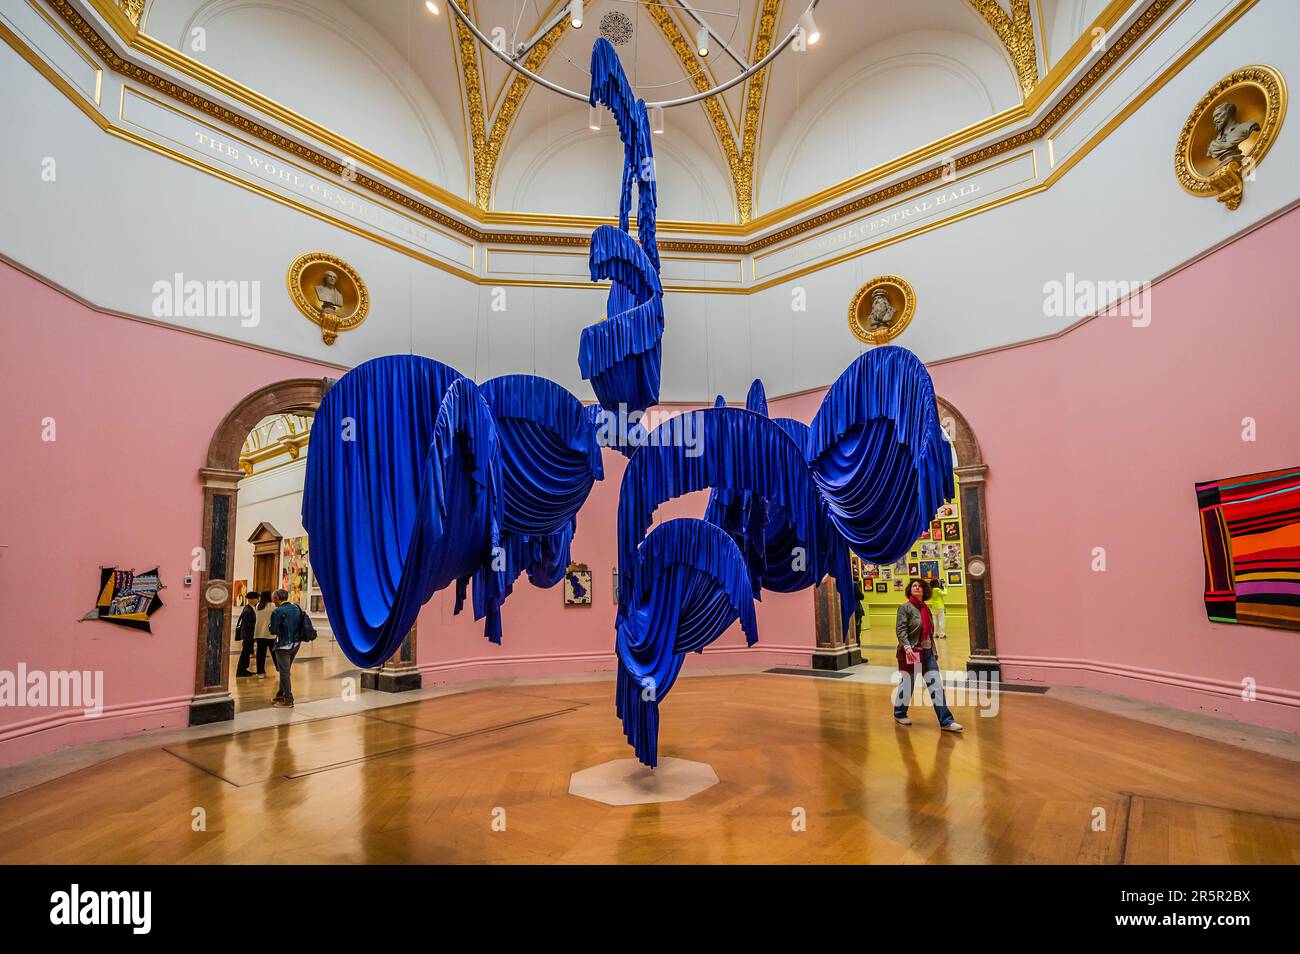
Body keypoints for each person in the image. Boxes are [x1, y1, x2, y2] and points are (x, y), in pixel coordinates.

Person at [893, 578, 962, 732]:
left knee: (936, 685)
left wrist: (934, 651)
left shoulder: (925, 609)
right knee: (907, 684)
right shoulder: (905, 608)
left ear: (924, 591)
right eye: (914, 586)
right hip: (911, 652)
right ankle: (899, 712)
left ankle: (946, 721)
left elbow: (930, 633)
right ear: (910, 590)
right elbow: (901, 630)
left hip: (927, 653)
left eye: (919, 586)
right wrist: (907, 648)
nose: (916, 588)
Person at [268, 589, 305, 707]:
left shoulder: (277, 611)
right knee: (285, 669)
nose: (272, 599)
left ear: (277, 599)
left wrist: (272, 626)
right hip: (296, 643)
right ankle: (280, 694)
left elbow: (273, 630)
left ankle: (288, 699)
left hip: (283, 645)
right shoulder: (296, 608)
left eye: (273, 597)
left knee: (284, 672)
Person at [233, 591, 261, 677]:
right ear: (252, 600)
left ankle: (244, 669)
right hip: (248, 635)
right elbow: (247, 625)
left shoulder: (250, 608)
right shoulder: (248, 610)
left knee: (246, 652)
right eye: (257, 598)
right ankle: (241, 670)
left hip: (249, 635)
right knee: (245, 653)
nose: (258, 600)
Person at [253, 590, 276, 679]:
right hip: (270, 633)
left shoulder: (258, 606)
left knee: (260, 654)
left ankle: (260, 672)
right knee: (274, 653)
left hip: (259, 633)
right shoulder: (273, 606)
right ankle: (280, 669)